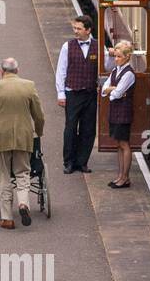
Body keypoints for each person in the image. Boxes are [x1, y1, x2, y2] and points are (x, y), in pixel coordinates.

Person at [0, 56, 45, 229]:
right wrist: (38, 132)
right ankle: (23, 203)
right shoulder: (29, 86)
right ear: (17, 71)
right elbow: (39, 115)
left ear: (1, 71)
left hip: (0, 137)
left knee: (3, 176)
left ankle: (7, 218)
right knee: (23, 173)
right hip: (23, 136)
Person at [56, 14, 99, 174]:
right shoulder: (67, 47)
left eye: (79, 29)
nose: (75, 31)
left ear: (88, 30)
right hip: (72, 93)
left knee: (88, 129)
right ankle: (68, 162)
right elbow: (61, 71)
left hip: (90, 93)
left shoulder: (98, 47)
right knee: (71, 128)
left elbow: (105, 65)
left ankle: (82, 162)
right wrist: (61, 93)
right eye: (74, 28)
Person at [100, 39, 136, 187]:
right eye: (115, 56)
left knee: (124, 144)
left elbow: (118, 93)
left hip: (123, 111)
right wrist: (111, 90)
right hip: (116, 110)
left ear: (127, 57)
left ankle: (125, 177)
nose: (116, 59)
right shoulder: (116, 70)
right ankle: (120, 175)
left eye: (119, 56)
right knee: (118, 144)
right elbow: (104, 89)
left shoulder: (129, 74)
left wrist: (111, 90)